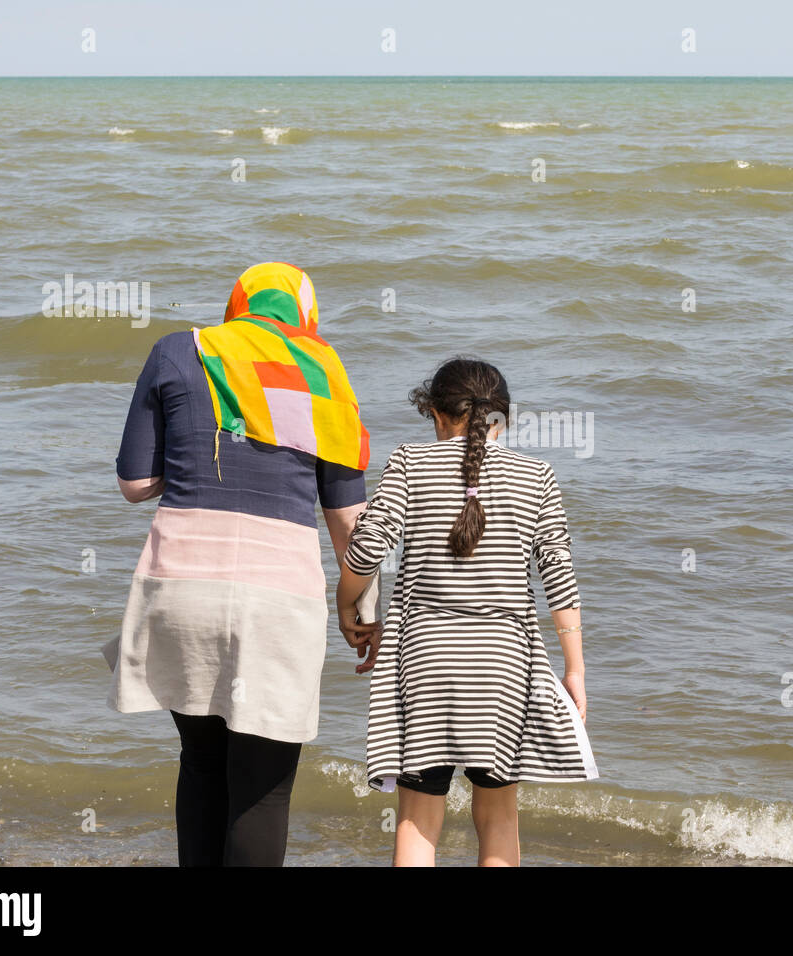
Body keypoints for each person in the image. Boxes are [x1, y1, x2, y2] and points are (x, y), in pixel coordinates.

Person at [104, 262, 380, 866]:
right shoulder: (324, 373)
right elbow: (350, 523)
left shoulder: (181, 349)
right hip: (279, 600)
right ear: (304, 313)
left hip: (179, 588)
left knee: (201, 762)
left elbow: (134, 482)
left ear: (239, 303)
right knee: (263, 789)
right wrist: (360, 610)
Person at [335, 356, 597, 866]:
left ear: (435, 413)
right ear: (504, 418)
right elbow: (559, 579)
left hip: (425, 664)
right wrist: (575, 670)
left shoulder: (410, 463)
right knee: (498, 816)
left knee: (417, 816)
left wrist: (347, 607)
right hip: (505, 668)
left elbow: (366, 551)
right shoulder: (537, 476)